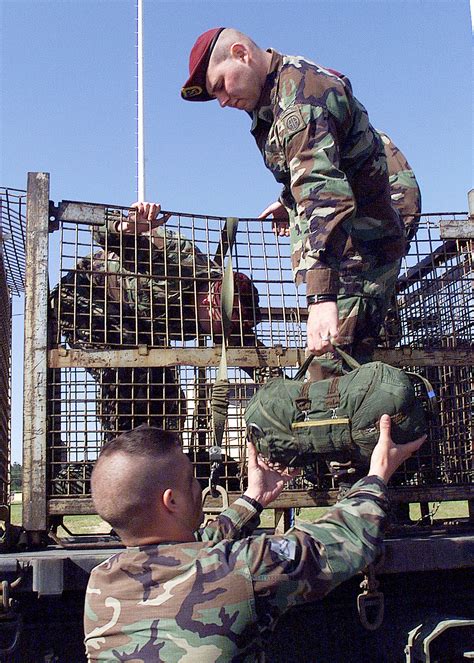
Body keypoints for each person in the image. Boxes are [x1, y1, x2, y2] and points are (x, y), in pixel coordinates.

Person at [84, 416, 425, 661]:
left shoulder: (101, 586)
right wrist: (378, 474)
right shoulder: (241, 568)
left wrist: (253, 499)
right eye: (192, 481)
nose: (200, 489)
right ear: (171, 501)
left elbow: (195, 549)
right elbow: (343, 539)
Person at [181, 28, 420, 377]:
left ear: (241, 53)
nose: (221, 100)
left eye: (220, 85)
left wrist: (321, 300)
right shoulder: (270, 99)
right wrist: (287, 199)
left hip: (365, 233)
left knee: (330, 366)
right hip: (351, 225)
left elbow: (323, 190)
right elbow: (312, 167)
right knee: (347, 363)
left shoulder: (299, 99)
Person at [51, 201, 262, 440]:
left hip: (137, 322)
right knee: (128, 380)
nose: (227, 333)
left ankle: (161, 464)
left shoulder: (222, 314)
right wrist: (126, 226)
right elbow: (101, 230)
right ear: (210, 304)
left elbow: (257, 359)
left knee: (169, 400)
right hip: (86, 299)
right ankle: (122, 459)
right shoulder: (177, 257)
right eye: (228, 325)